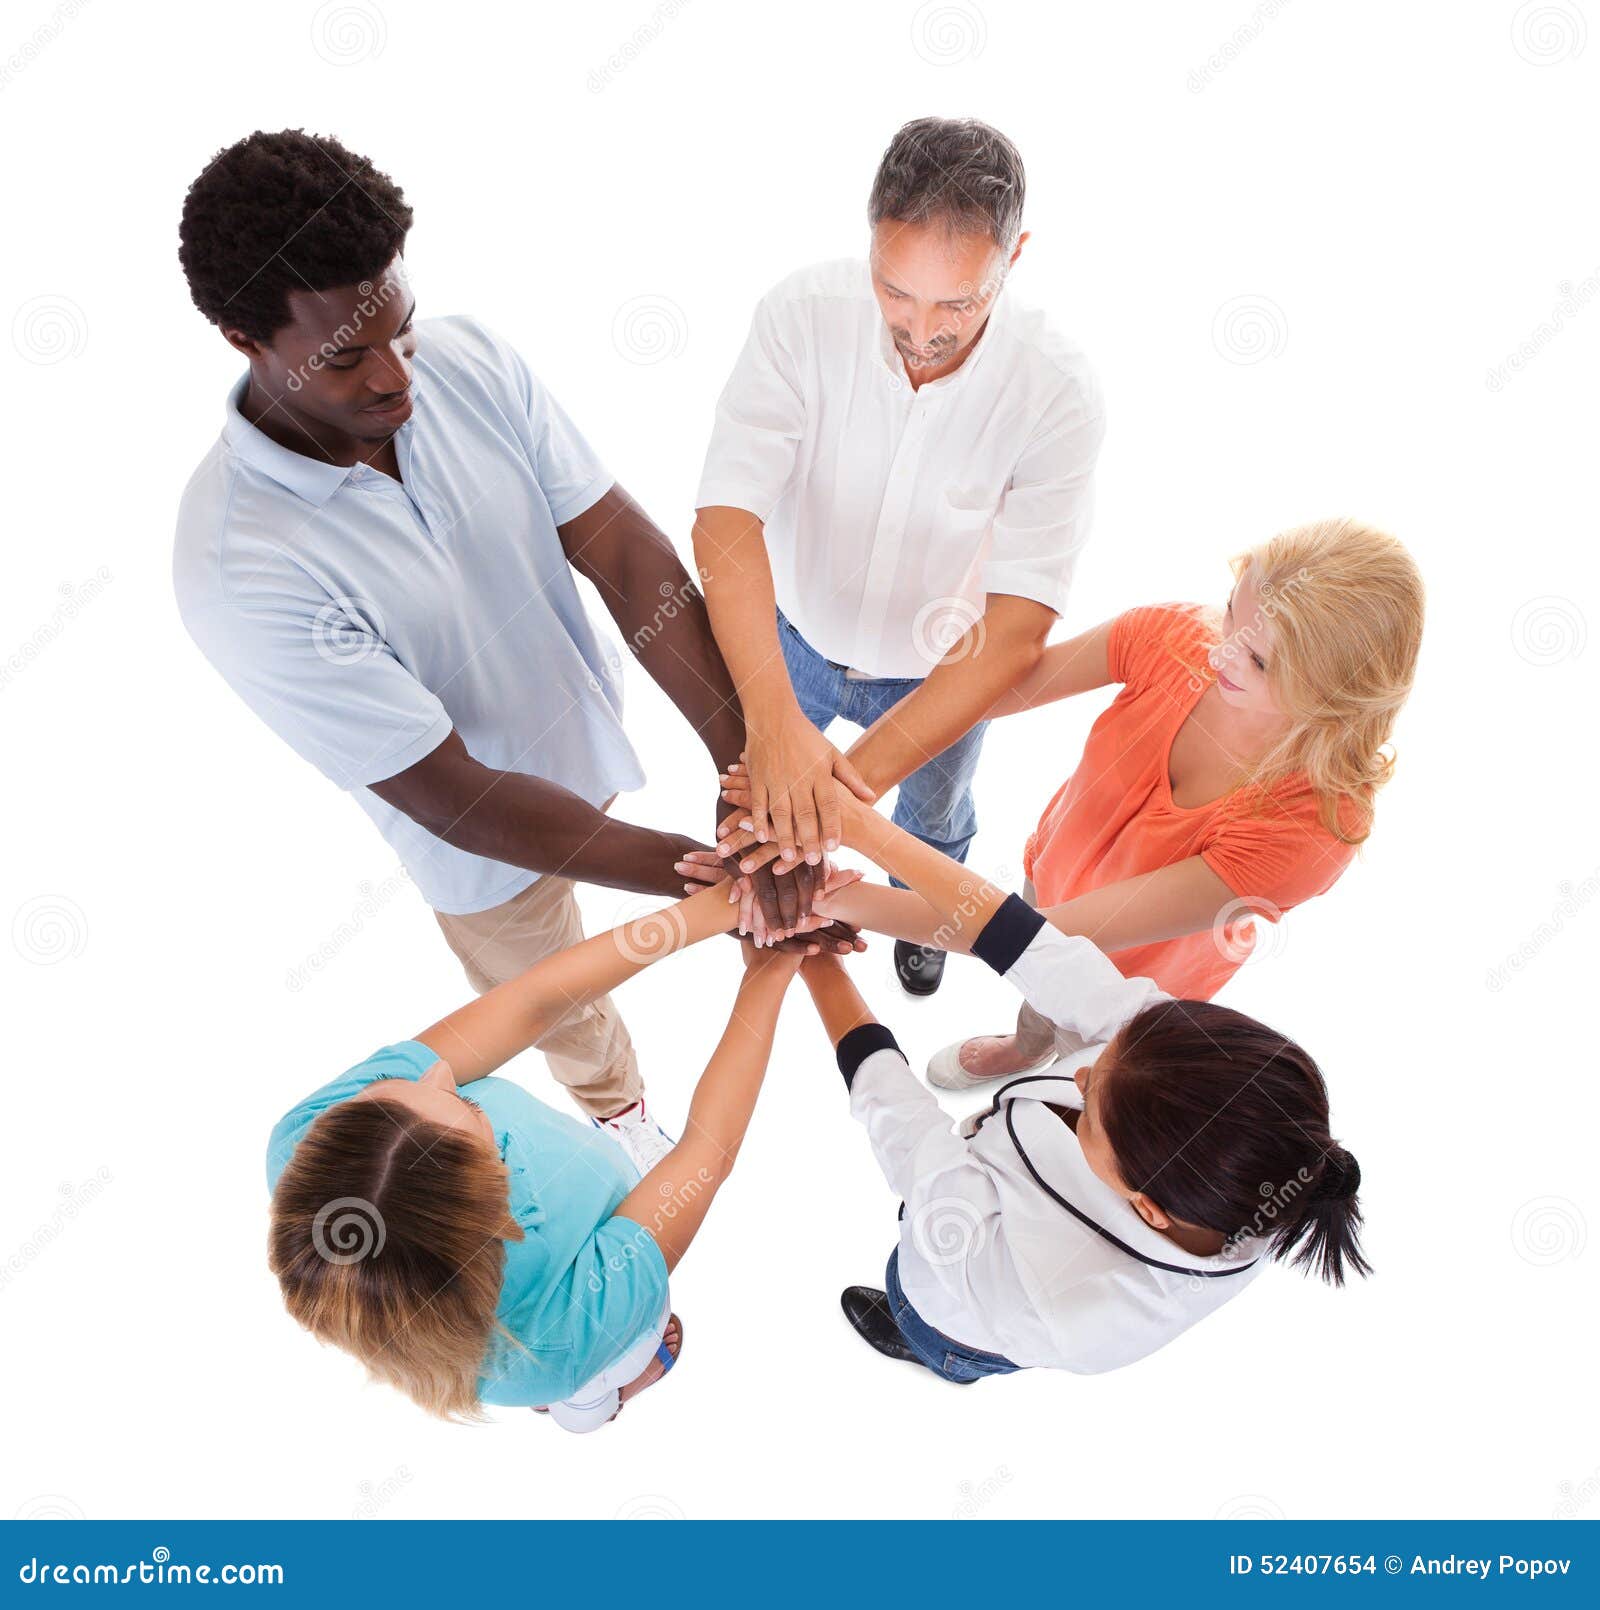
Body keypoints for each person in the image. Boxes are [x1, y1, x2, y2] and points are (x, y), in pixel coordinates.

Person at [174, 130, 846, 1175]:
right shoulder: (236, 567)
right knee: (559, 997)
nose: (399, 375)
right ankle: (618, 1109)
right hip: (483, 845)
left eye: (400, 328)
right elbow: (454, 795)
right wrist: (710, 874)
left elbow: (625, 555)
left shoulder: (468, 358)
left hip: (583, 723)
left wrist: (747, 771)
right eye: (348, 357)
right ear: (241, 338)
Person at [695, 518, 1423, 1091]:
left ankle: (1046, 1076)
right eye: (1234, 611)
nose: (1220, 649)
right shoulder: (1178, 634)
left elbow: (1038, 939)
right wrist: (820, 791)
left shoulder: (1312, 830)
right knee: (1037, 1009)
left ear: (1336, 693)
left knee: (1092, 1068)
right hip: (1057, 870)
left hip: (1133, 976)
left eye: (1259, 661)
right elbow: (988, 692)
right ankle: (1024, 1046)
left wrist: (829, 894)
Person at [693, 116, 1105, 997]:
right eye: (896, 291)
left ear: (1015, 256)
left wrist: (844, 792)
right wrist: (773, 726)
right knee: (755, 791)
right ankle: (763, 909)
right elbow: (727, 518)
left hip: (942, 669)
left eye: (959, 303)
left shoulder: (1057, 391)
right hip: (792, 634)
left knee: (932, 820)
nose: (921, 330)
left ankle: (921, 916)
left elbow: (1018, 625)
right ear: (870, 240)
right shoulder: (800, 315)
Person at [770, 787, 1368, 1381]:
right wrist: (864, 836)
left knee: (917, 1303)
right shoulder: (1196, 1104)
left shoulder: (1054, 1306)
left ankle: (921, 1344)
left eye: (1087, 1109)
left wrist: (820, 964)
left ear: (1149, 1210)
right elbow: (1032, 945)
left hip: (955, 1319)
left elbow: (906, 1127)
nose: (1076, 1073)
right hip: (967, 1220)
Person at [266, 876, 844, 1428]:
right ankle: (605, 1398)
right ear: (497, 1203)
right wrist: (768, 973)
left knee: (558, 1383)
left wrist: (720, 907)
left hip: (556, 1350)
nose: (441, 1071)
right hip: (597, 1346)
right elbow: (706, 1151)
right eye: (468, 1109)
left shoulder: (314, 1138)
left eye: (402, 1085)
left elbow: (533, 1003)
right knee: (590, 1386)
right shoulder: (567, 1334)